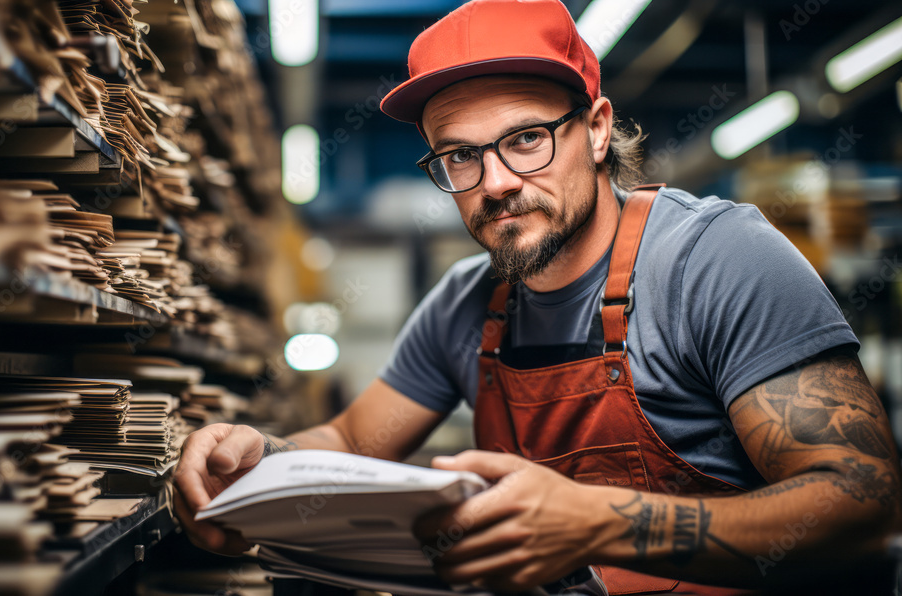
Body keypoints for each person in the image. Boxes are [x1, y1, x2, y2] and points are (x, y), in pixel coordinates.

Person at [173, 0, 901, 593]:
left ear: (596, 130)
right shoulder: (465, 304)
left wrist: (597, 522)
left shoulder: (717, 260)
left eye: (525, 140)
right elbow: (348, 444)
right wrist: (255, 464)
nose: (494, 182)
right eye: (460, 155)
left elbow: (864, 503)